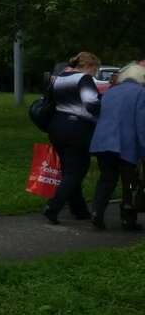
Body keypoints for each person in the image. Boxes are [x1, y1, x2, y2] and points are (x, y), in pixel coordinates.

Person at [42, 51, 102, 224]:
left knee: (69, 169)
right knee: (77, 170)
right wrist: (104, 107)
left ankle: (79, 209)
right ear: (88, 66)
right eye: (95, 69)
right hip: (76, 127)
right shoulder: (84, 79)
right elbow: (91, 102)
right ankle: (52, 206)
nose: (95, 73)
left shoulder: (60, 77)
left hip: (56, 125)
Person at [89, 62, 145, 230]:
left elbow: (99, 115)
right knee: (130, 183)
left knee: (106, 179)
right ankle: (128, 219)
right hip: (127, 145)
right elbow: (141, 123)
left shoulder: (110, 92)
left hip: (104, 142)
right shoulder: (141, 93)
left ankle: (96, 212)